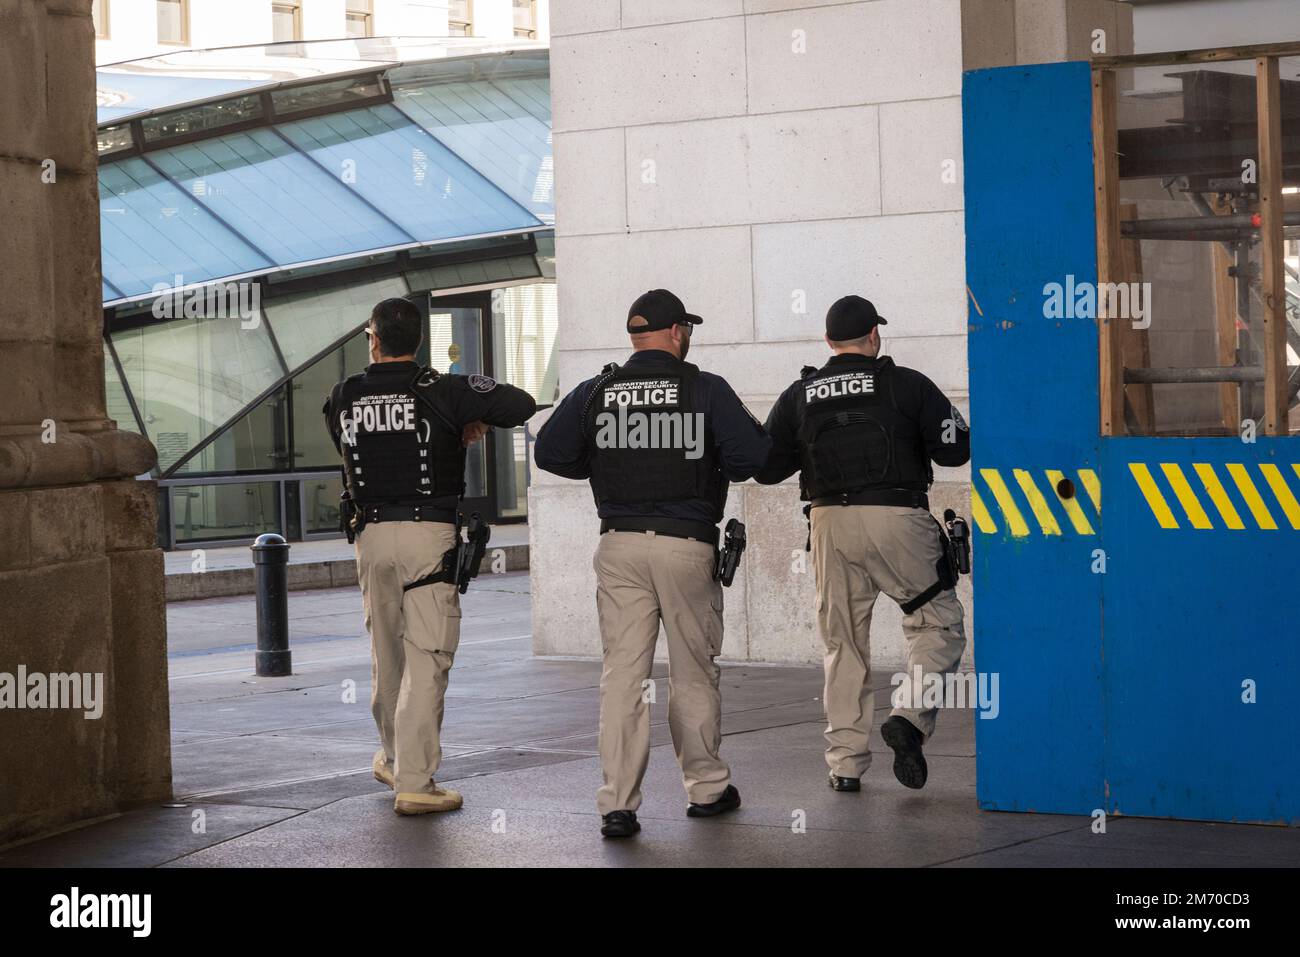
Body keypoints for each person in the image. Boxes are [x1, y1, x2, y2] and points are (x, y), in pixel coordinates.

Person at [534, 289, 772, 838]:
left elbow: (550, 452)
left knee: (622, 677)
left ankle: (617, 804)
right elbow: (754, 459)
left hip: (618, 546)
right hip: (686, 545)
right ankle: (707, 790)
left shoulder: (597, 390)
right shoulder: (704, 388)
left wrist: (601, 462)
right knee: (692, 670)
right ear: (676, 333)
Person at [323, 297, 536, 815]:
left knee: (387, 655)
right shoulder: (444, 390)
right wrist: (466, 420)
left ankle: (395, 759)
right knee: (428, 657)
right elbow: (522, 404)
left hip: (370, 538)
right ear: (417, 340)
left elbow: (350, 447)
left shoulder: (344, 395)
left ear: (373, 339)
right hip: (428, 537)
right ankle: (416, 783)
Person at [757, 295, 969, 792]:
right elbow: (957, 449)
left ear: (828, 341)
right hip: (898, 517)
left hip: (829, 522)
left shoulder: (800, 393)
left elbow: (766, 468)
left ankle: (846, 764)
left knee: (843, 644)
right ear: (874, 336)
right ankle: (910, 718)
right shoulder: (907, 383)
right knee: (937, 621)